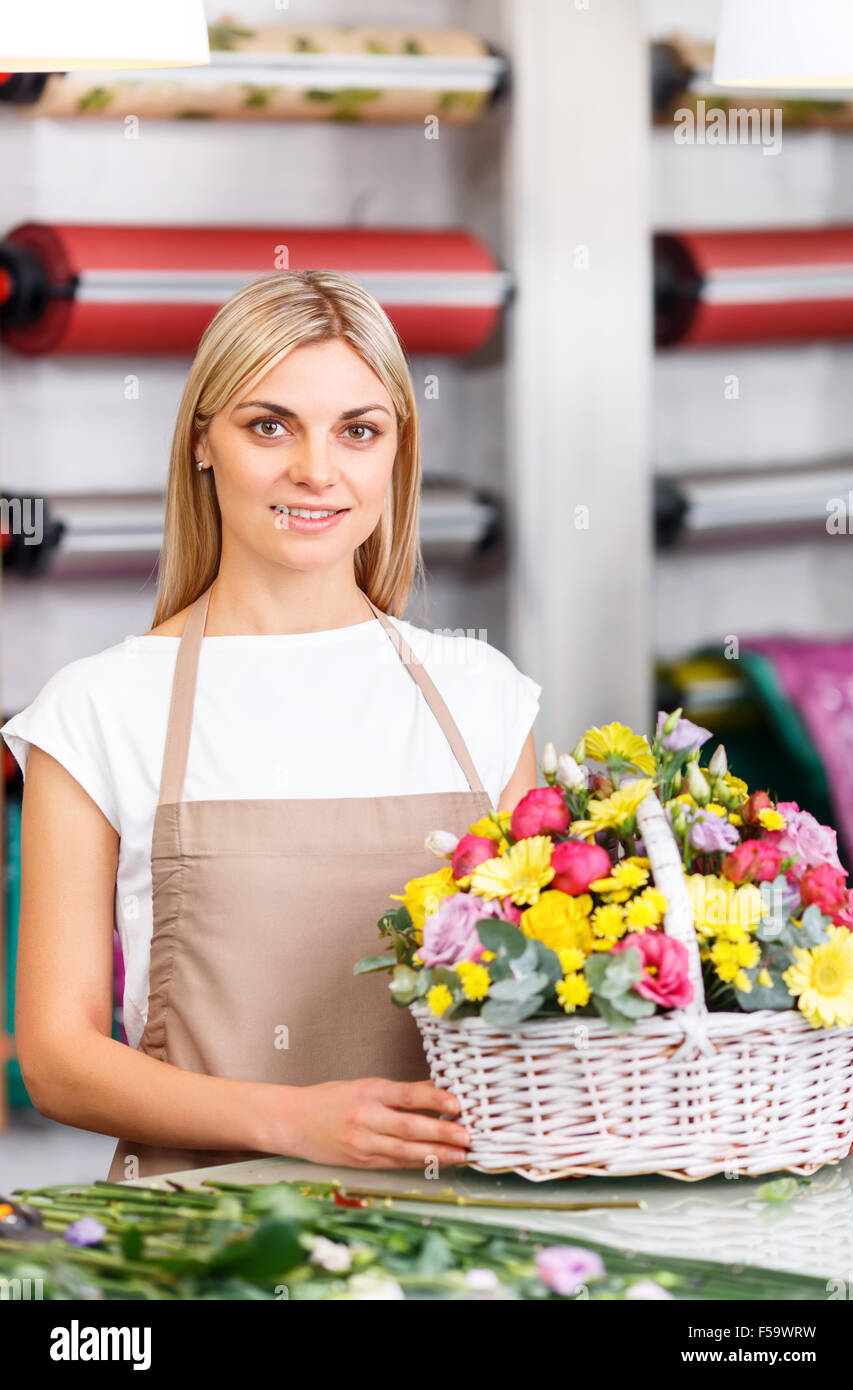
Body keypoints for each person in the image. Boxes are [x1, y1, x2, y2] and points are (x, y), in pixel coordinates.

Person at [2, 270, 542, 1181]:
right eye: (269, 425)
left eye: (358, 432)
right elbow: (56, 1058)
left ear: (396, 453)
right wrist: (292, 1122)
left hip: (463, 1235)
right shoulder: (98, 709)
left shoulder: (485, 697)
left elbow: (540, 1002)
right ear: (204, 441)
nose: (317, 472)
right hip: (208, 1246)